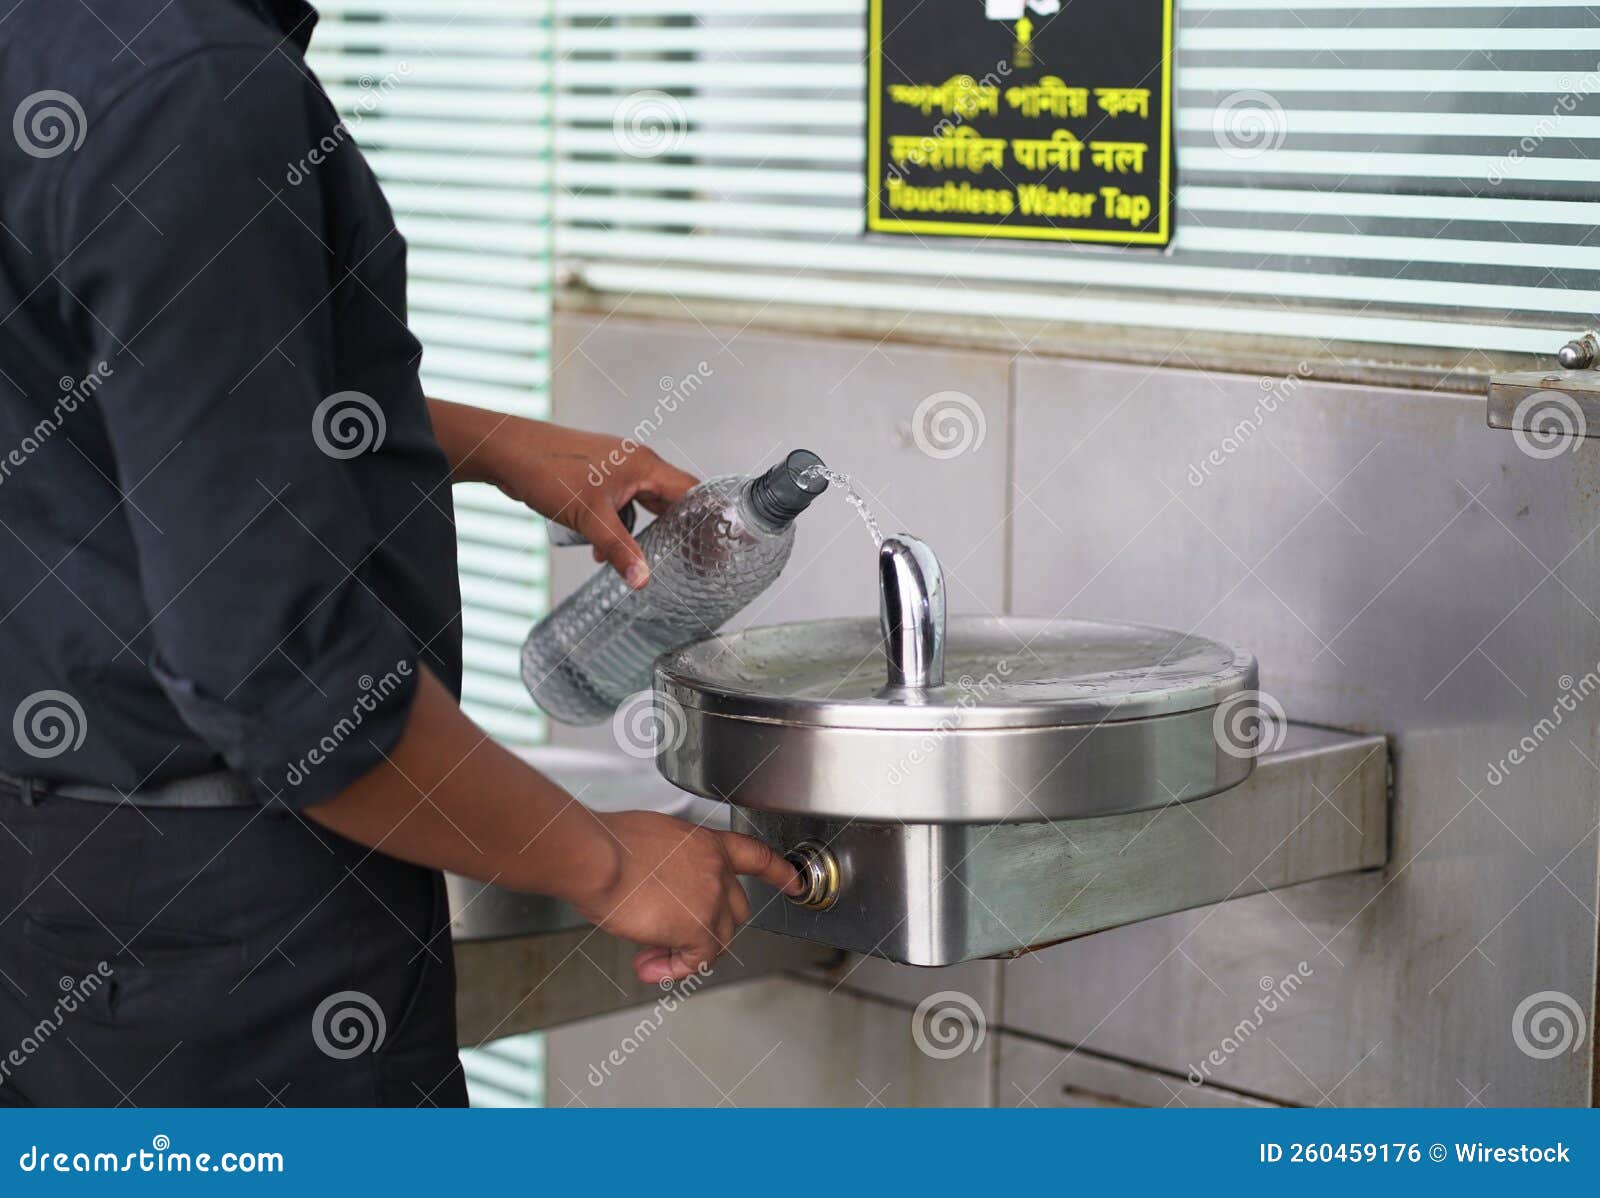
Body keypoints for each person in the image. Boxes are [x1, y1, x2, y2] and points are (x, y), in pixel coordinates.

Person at [0, 0, 798, 1107]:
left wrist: (476, 441)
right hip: (232, 940)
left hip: (61, 873)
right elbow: (280, 677)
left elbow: (87, 410)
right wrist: (610, 861)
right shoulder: (196, 82)